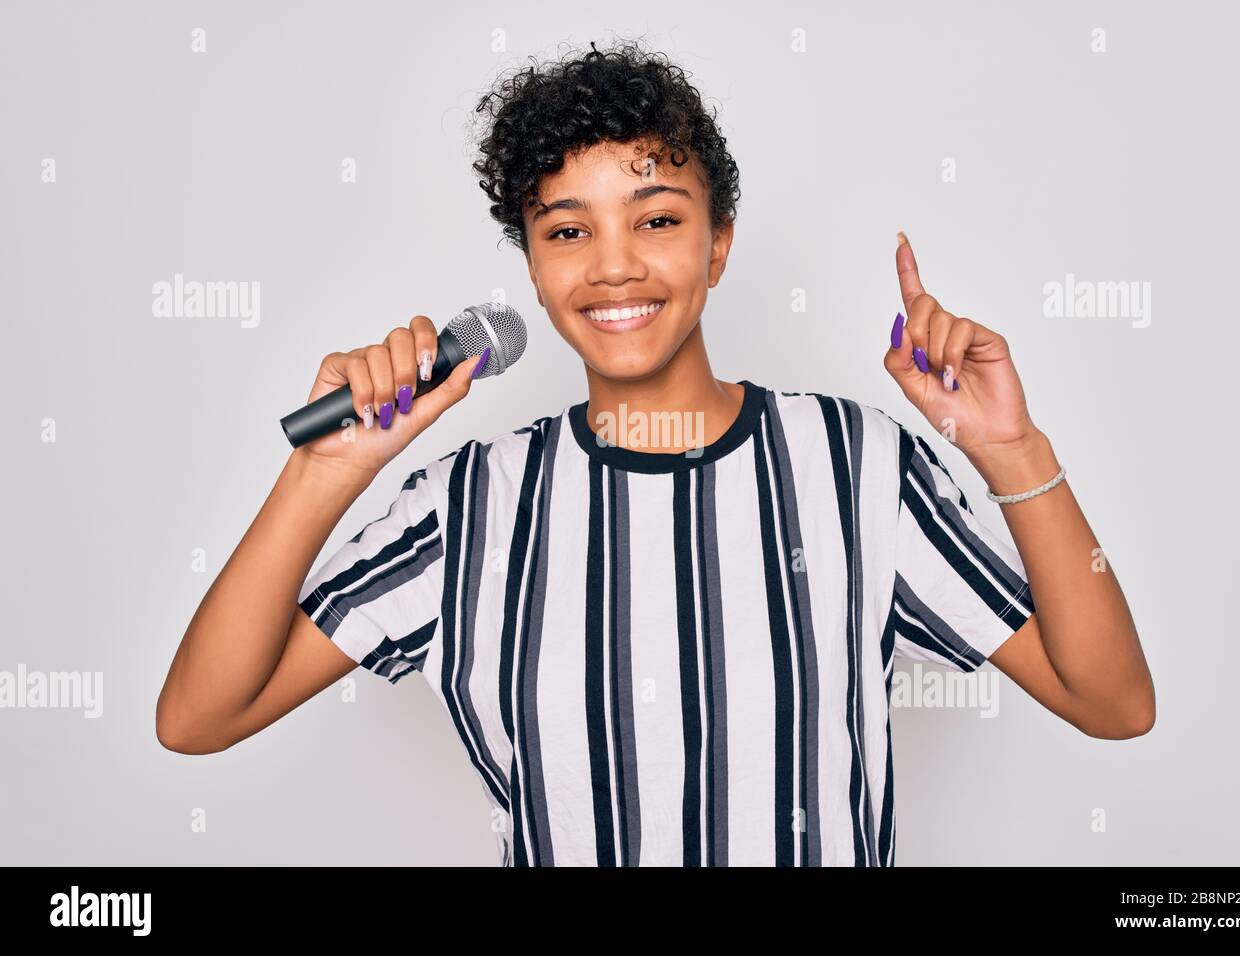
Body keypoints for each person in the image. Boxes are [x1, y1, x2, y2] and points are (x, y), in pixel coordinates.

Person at [158, 39, 1155, 866]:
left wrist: (1010, 448)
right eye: (566, 230)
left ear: (717, 244)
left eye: (658, 219)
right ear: (535, 269)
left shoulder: (857, 466)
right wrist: (324, 473)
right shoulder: (465, 504)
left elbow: (1110, 699)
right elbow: (199, 714)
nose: (615, 265)